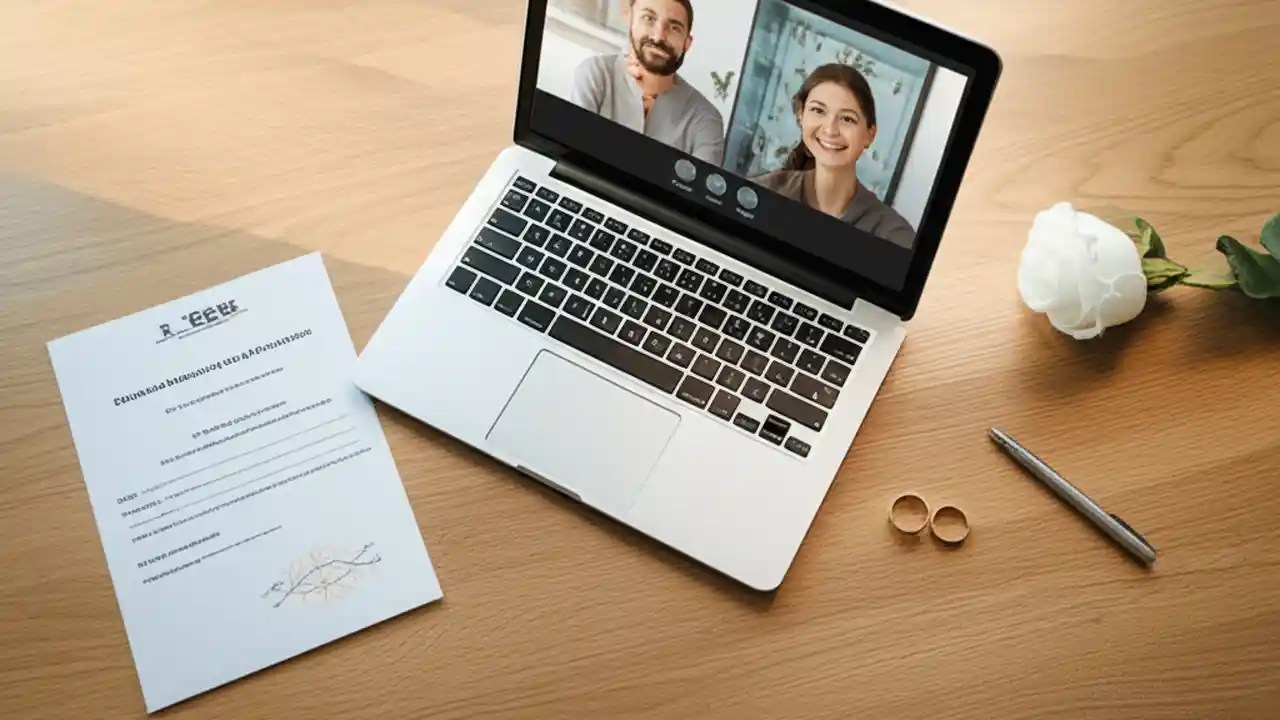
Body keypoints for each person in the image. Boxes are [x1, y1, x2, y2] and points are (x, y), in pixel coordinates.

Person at [752, 63, 916, 248]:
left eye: (847, 119)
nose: (830, 130)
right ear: (801, 116)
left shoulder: (895, 236)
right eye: (818, 111)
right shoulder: (760, 193)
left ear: (870, 134)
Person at [568, 0, 725, 165]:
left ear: (687, 43)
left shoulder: (705, 119)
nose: (658, 37)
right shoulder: (596, 74)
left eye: (674, 28)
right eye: (648, 18)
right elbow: (569, 156)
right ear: (631, 22)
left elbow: (697, 190)